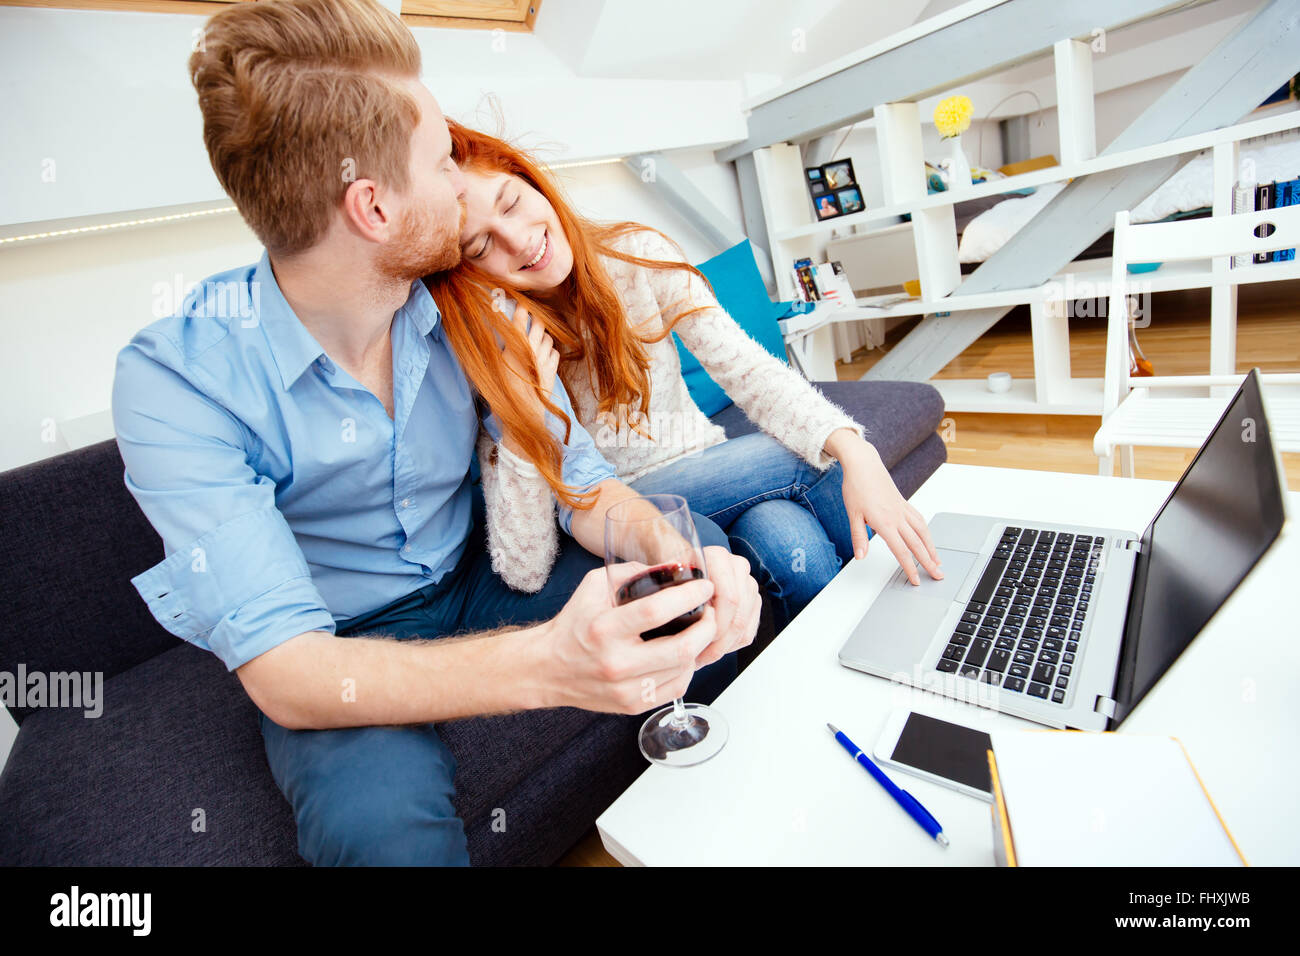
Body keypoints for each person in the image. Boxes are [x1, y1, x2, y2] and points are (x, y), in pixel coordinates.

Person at [110, 0, 760, 867]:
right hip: (339, 640)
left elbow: (581, 481)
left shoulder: (462, 301)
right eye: (442, 160)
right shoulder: (177, 380)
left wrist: (660, 541)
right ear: (373, 208)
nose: (464, 182)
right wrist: (551, 664)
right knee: (378, 835)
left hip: (476, 574)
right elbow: (286, 670)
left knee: (686, 564)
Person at [426, 123, 943, 630]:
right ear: (469, 272)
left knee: (789, 544)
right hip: (622, 508)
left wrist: (854, 448)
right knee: (804, 457)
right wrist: (525, 409)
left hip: (710, 462)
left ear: (532, 181)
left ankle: (868, 659)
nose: (517, 241)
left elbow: (747, 368)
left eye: (511, 203)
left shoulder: (636, 256)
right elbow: (524, 566)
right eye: (480, 247)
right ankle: (915, 619)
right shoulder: (498, 345)